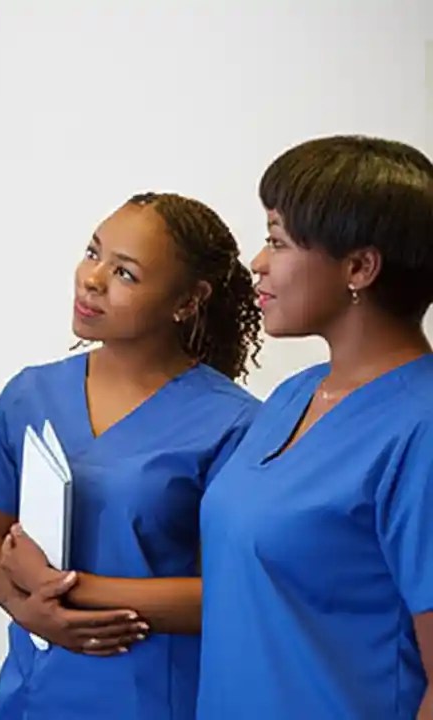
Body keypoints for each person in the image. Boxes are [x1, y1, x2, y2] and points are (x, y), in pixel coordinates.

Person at [0, 191, 264, 719]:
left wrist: (70, 591)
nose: (92, 278)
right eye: (93, 252)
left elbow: (228, 595)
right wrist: (29, 611)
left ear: (188, 300)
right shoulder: (28, 396)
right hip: (34, 690)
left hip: (153, 695)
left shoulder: (237, 426)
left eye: (125, 273)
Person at [195, 135, 433, 719]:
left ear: (359, 266)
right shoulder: (292, 397)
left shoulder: (421, 429)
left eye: (277, 239)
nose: (257, 261)